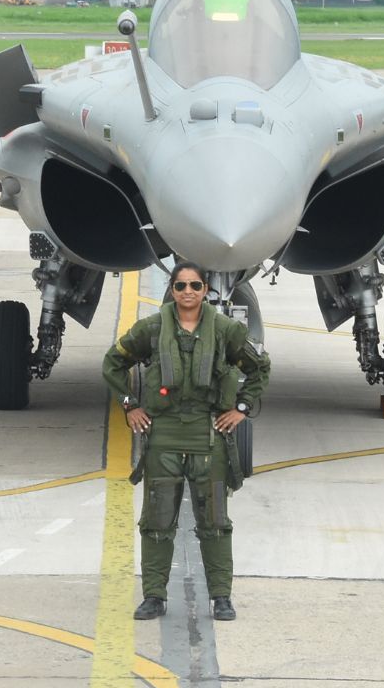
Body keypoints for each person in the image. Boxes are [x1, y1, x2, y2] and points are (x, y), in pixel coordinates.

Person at [102, 261, 270, 621]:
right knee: (157, 520)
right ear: (172, 290)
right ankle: (154, 596)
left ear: (205, 289)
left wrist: (241, 408)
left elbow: (260, 366)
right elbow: (113, 363)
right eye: (180, 286)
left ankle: (221, 597)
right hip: (163, 435)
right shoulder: (152, 329)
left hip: (208, 435)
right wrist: (129, 405)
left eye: (195, 285)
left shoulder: (225, 330)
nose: (188, 292)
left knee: (215, 522)